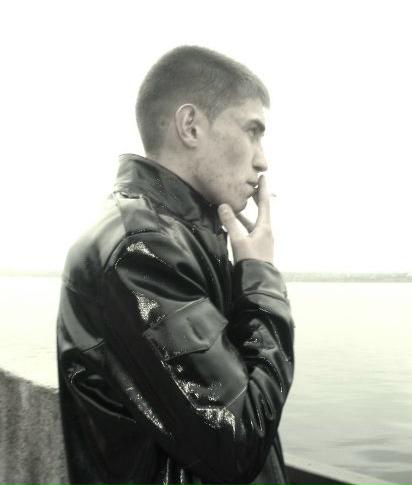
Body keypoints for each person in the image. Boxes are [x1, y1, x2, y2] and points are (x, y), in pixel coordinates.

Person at [57, 46, 294, 485]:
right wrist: (261, 277)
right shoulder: (141, 249)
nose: (263, 159)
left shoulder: (175, 238)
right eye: (252, 131)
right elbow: (238, 443)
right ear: (191, 126)